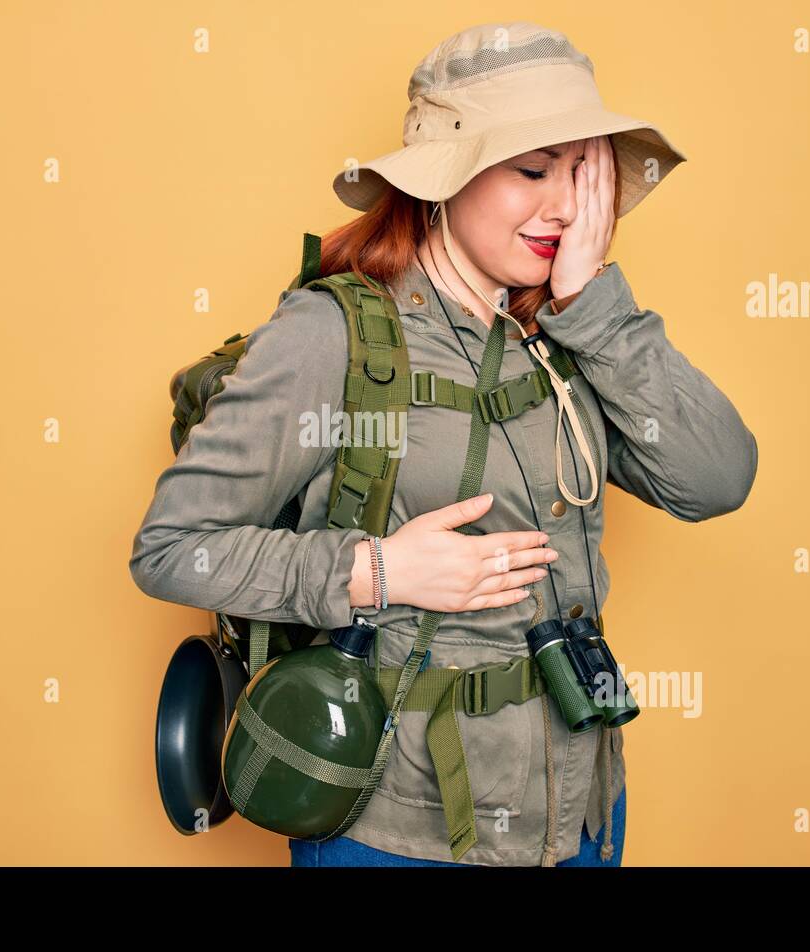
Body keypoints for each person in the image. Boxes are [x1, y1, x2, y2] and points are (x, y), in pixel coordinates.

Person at [130, 21, 757, 867]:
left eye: (582, 173)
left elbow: (717, 477)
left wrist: (594, 305)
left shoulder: (571, 341)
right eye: (532, 170)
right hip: (398, 831)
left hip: (579, 815)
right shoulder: (335, 334)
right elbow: (172, 550)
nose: (566, 206)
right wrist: (376, 572)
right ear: (444, 179)